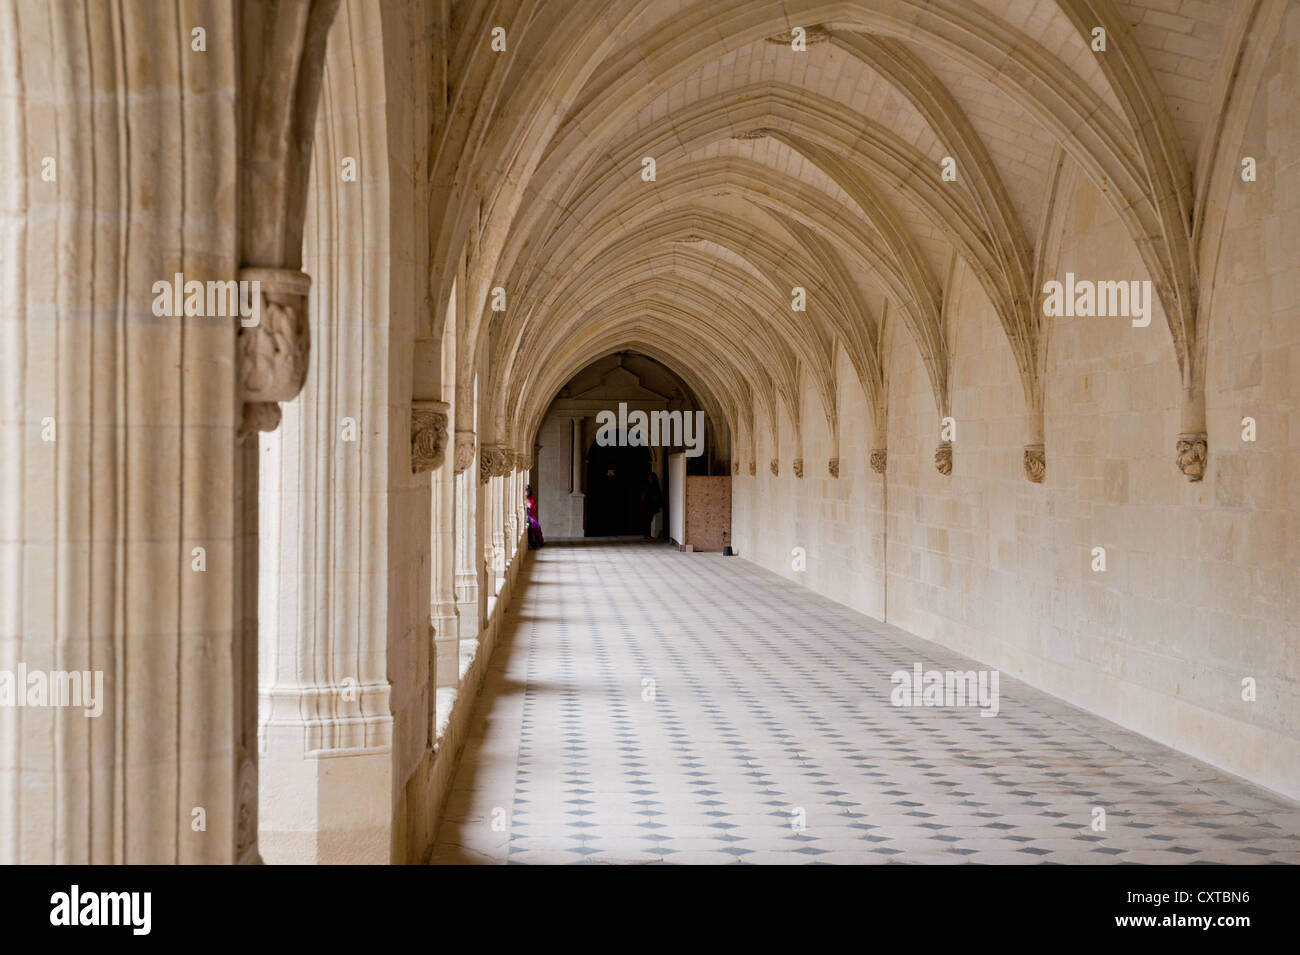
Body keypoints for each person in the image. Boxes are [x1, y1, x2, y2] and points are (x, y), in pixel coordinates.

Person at [640, 472, 663, 539]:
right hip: (648, 505)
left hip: (650, 505)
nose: (649, 479)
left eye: (650, 478)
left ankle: (647, 535)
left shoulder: (652, 486)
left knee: (649, 520)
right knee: (648, 520)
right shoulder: (650, 486)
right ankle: (647, 535)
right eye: (649, 478)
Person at [525, 483, 544, 549]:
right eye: (526, 491)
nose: (527, 492)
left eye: (528, 491)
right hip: (526, 515)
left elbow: (534, 508)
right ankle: (533, 542)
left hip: (530, 515)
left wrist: (529, 505)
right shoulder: (523, 498)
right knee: (532, 524)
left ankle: (539, 541)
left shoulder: (531, 498)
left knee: (537, 525)